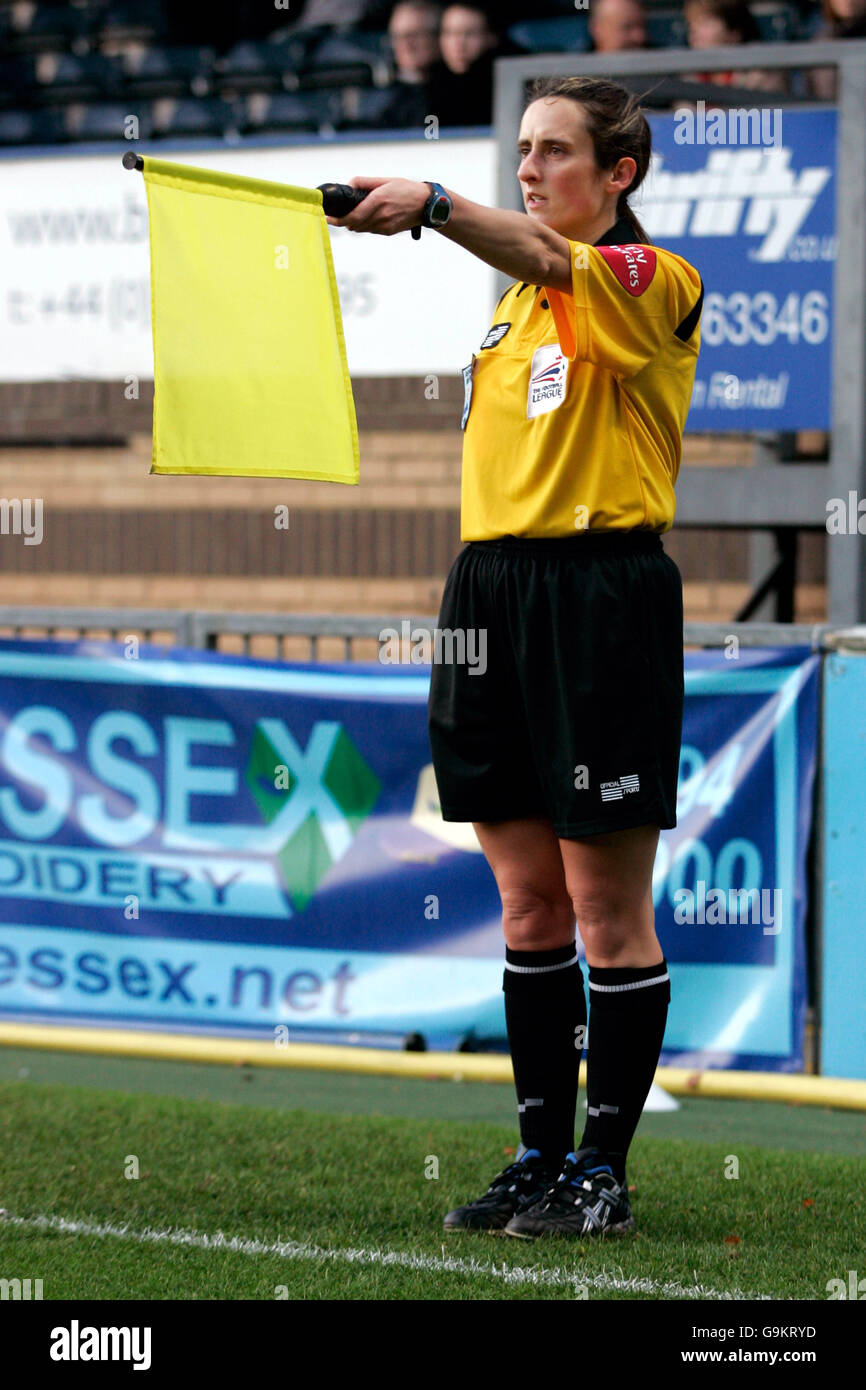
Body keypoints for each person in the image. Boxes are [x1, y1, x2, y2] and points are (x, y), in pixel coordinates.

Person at [325, 75, 703, 1239]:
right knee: (526, 905)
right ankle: (539, 1155)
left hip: (598, 598)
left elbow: (544, 254)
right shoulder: (509, 312)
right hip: (488, 593)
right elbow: (526, 261)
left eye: (553, 151)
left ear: (618, 173)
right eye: (522, 149)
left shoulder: (649, 278)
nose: (530, 168)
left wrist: (431, 201)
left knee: (603, 912)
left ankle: (605, 1168)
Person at [425, 4, 526, 126]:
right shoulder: (429, 85)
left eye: (469, 34)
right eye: (449, 33)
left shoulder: (509, 87)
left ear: (491, 38)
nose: (458, 44)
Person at [684, 0, 787, 91]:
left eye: (704, 23)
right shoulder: (685, 78)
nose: (693, 30)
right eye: (690, 23)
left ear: (734, 33)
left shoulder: (762, 73)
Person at [375, 0, 443, 129]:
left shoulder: (456, 93)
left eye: (414, 35)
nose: (405, 45)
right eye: (397, 36)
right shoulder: (379, 97)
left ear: (436, 37)